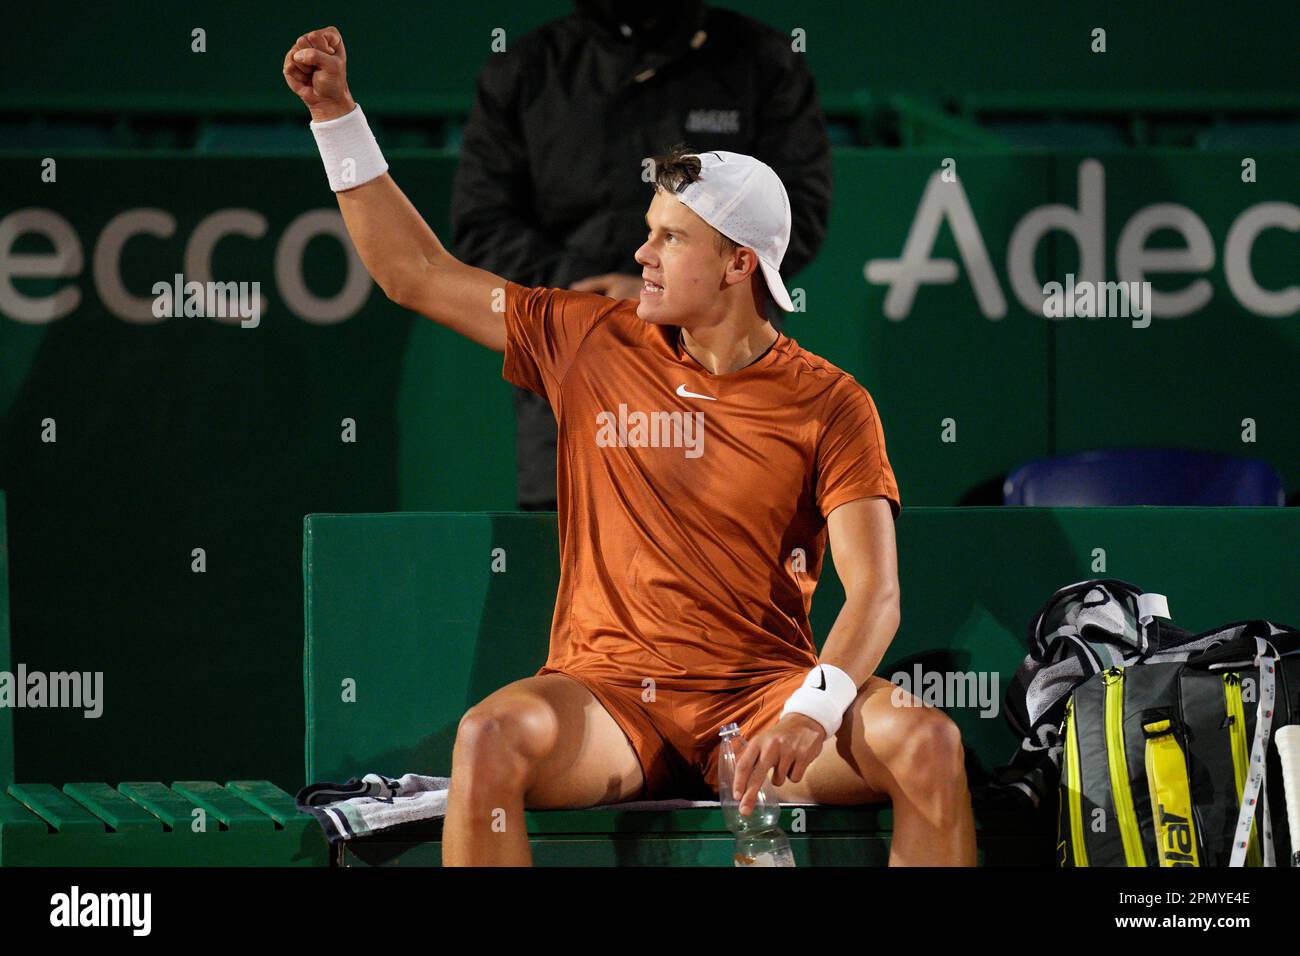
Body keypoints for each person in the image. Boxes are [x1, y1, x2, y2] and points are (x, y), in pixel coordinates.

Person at [283, 25, 977, 866]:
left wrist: (812, 711)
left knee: (929, 744)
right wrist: (336, 117)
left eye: (671, 238)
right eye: (649, 230)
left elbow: (875, 596)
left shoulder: (831, 402)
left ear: (738, 265)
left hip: (763, 700)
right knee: (487, 740)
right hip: (608, 702)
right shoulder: (586, 339)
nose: (641, 253)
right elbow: (414, 274)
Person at [450, 0, 832, 511]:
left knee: (738, 542)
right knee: (573, 552)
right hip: (576, 372)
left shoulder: (765, 62)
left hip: (728, 383)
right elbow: (480, 223)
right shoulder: (524, 70)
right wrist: (600, 301)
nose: (645, 251)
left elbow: (792, 215)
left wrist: (660, 290)